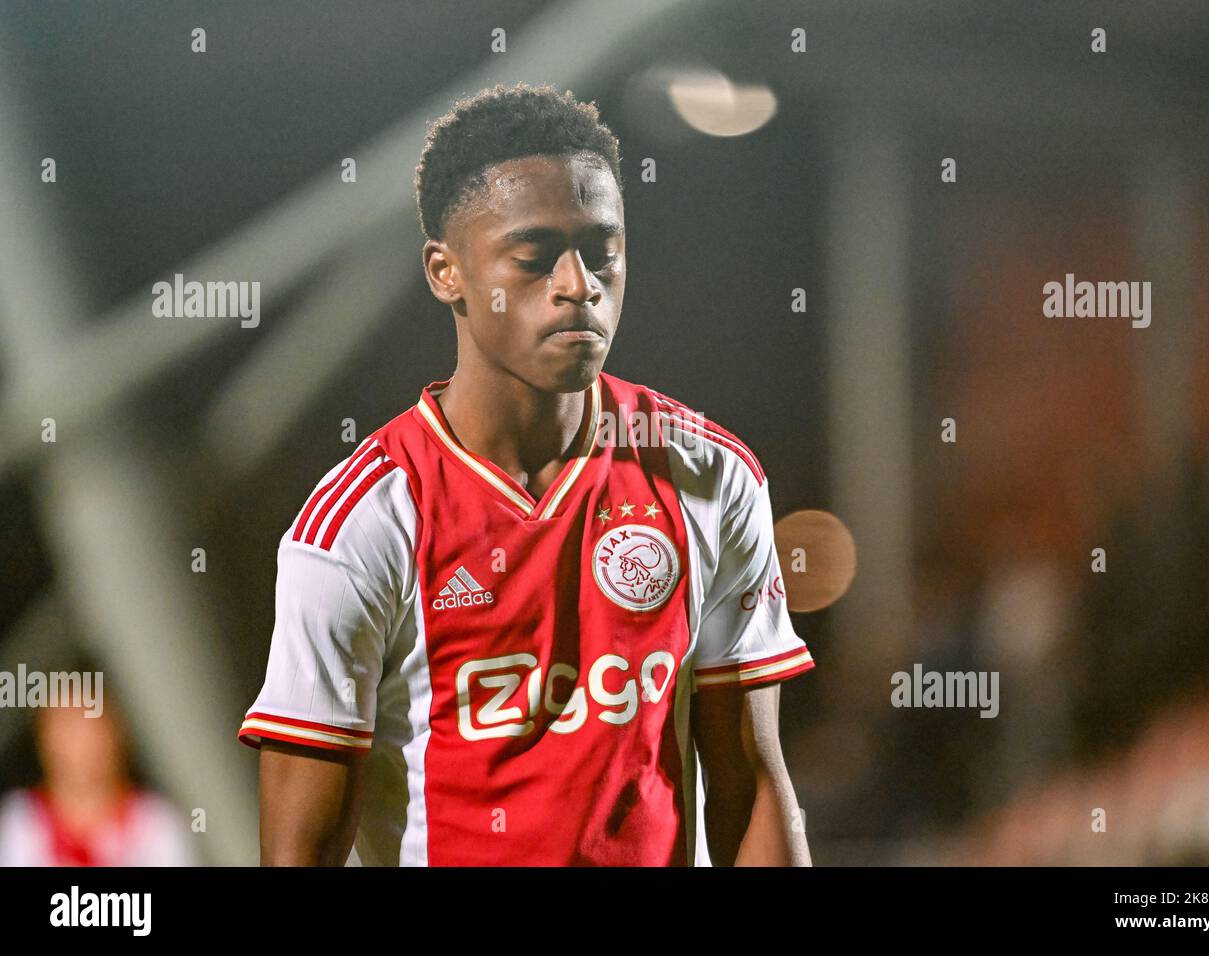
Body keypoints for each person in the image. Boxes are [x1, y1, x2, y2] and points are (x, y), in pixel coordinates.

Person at [238, 82, 815, 866]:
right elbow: (299, 849)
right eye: (535, 256)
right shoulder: (362, 521)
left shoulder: (707, 475)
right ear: (447, 273)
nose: (578, 284)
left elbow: (750, 782)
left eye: (602, 251)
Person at [0, 700, 195, 866]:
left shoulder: (157, 822)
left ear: (115, 733)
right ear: (43, 740)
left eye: (91, 726)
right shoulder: (18, 820)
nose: (82, 744)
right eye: (68, 727)